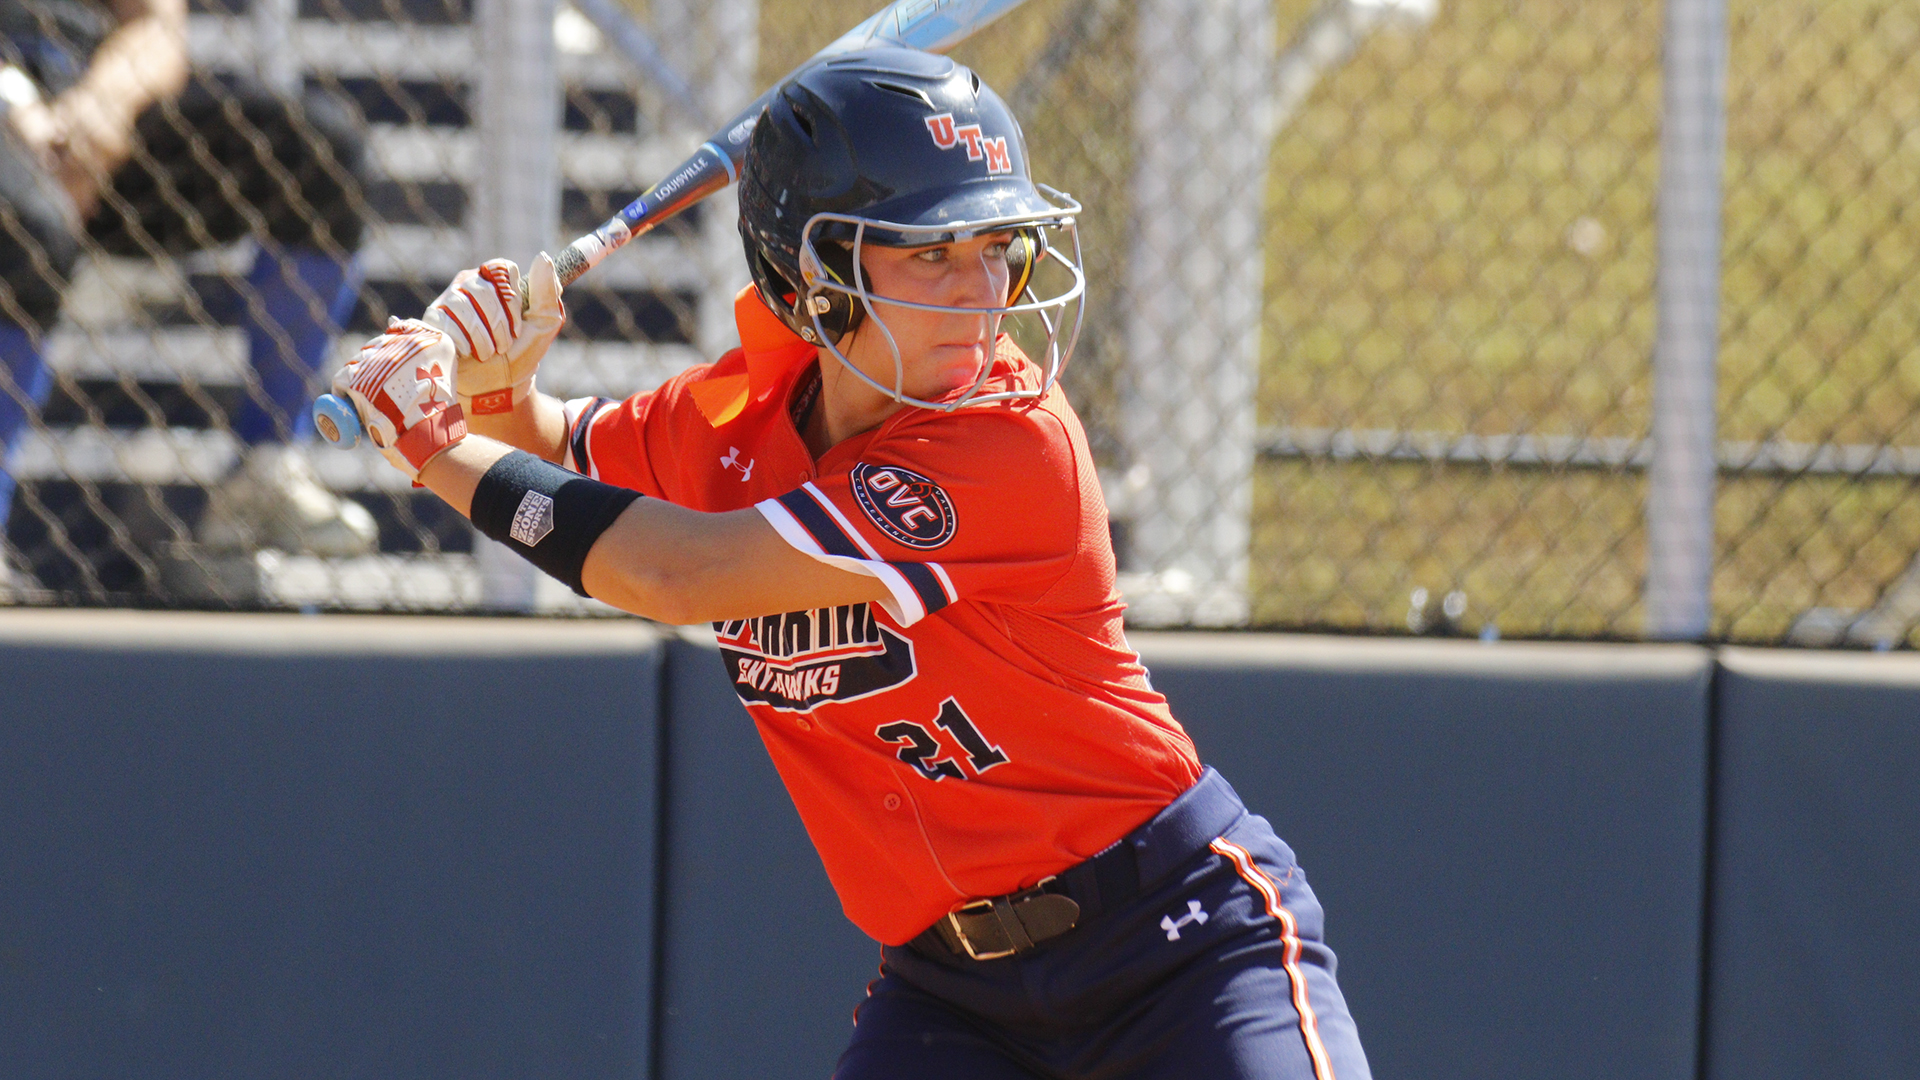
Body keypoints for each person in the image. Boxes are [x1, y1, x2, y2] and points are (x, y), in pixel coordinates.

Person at [332, 47, 1372, 1080]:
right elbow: (553, 461)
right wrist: (500, 390)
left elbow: (673, 575)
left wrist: (431, 445)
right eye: (931, 252)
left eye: (999, 246)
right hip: (955, 998)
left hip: (1177, 944)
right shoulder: (731, 425)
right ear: (812, 274)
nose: (984, 291)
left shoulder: (1009, 440)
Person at [0, 0, 374, 595]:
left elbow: (155, 23)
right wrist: (12, 103)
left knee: (319, 151)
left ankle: (261, 475)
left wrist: (100, 110)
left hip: (84, 107)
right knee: (28, 225)